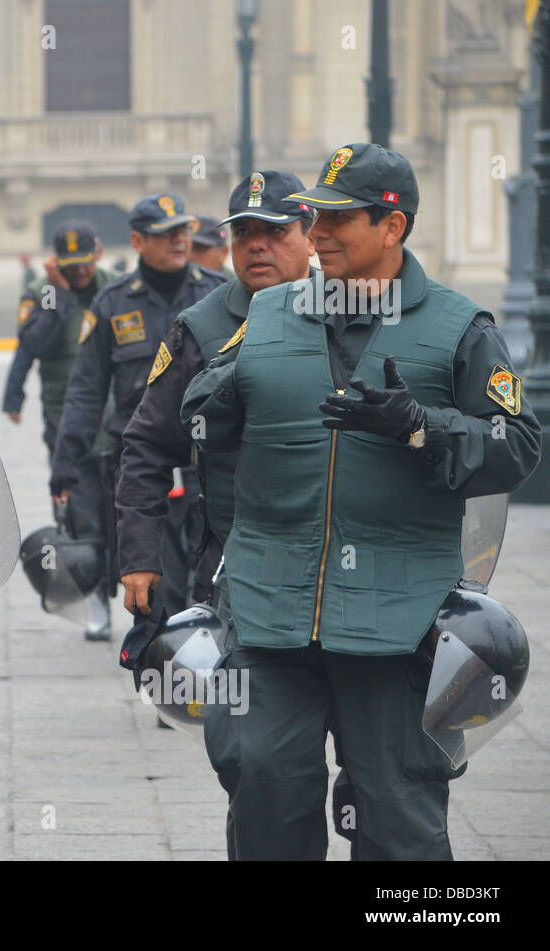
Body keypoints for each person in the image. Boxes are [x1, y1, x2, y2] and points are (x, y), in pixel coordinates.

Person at [182, 143, 542, 860]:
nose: (315, 233)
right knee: (262, 781)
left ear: (392, 226)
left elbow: (518, 446)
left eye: (338, 219)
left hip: (396, 619)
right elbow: (197, 416)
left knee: (397, 811)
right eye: (315, 216)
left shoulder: (458, 329)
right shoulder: (274, 312)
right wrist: (229, 387)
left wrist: (423, 427)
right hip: (267, 610)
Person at [116, 172, 315, 614]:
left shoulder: (351, 312)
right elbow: (147, 444)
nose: (257, 245)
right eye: (244, 232)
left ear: (312, 237)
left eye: (276, 231)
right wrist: (140, 556)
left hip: (338, 567)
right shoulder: (201, 328)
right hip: (235, 566)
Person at [51, 196, 225, 627]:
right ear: (137, 240)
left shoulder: (218, 294)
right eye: (165, 234)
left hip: (211, 466)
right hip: (142, 469)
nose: (178, 241)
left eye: (182, 231)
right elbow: (86, 392)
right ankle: (163, 669)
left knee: (211, 588)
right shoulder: (111, 305)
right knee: (156, 587)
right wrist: (66, 465)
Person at [3, 221, 121, 640]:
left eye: (84, 264)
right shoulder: (42, 292)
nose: (78, 273)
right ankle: (95, 603)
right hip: (66, 424)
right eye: (68, 267)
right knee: (81, 515)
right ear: (54, 264)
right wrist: (61, 298)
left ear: (99, 253)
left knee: (127, 514)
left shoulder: (119, 288)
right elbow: (32, 345)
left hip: (121, 425)